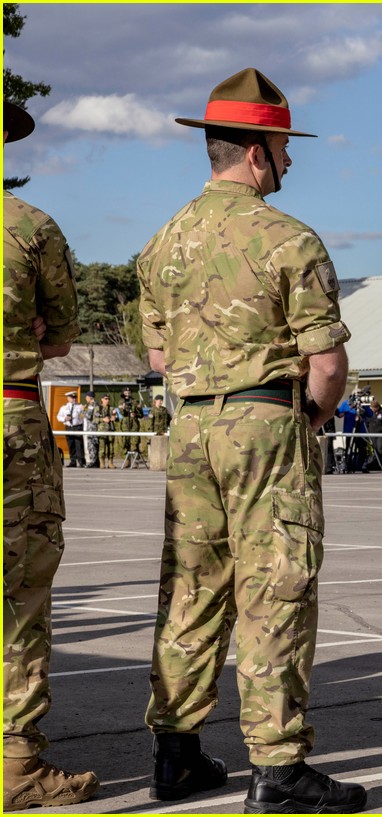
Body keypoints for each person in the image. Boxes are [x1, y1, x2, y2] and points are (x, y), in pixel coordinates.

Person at [135, 67, 364, 812]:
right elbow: (326, 364)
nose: (290, 162)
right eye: (285, 147)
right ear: (258, 152)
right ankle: (278, 768)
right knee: (277, 589)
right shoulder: (289, 240)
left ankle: (176, 752)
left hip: (192, 423)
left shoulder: (161, 242)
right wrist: (307, 420)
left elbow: (161, 359)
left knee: (192, 588)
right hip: (266, 421)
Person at [3, 99, 99, 811]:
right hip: (10, 416)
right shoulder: (30, 228)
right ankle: (15, 765)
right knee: (20, 599)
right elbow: (62, 336)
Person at [55, 391, 85, 467]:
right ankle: (73, 461)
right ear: (68, 398)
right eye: (72, 398)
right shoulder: (64, 407)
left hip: (77, 427)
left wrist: (84, 410)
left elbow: (84, 417)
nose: (74, 399)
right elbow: (58, 417)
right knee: (71, 445)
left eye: (75, 398)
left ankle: (81, 461)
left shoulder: (80, 406)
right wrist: (65, 419)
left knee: (79, 445)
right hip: (69, 427)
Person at [116, 386, 144, 465]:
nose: (127, 394)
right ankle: (127, 461)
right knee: (125, 442)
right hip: (125, 424)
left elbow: (141, 415)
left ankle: (135, 461)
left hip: (134, 424)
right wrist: (123, 408)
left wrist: (136, 412)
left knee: (134, 442)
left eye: (129, 392)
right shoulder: (121, 402)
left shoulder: (135, 401)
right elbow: (122, 413)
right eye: (126, 392)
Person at [94, 395, 118, 468]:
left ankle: (110, 462)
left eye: (108, 399)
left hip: (110, 430)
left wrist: (114, 417)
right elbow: (94, 419)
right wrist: (103, 420)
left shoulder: (111, 408)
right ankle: (102, 462)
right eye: (106, 399)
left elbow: (117, 418)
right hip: (102, 431)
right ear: (102, 399)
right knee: (102, 448)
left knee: (111, 448)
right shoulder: (98, 408)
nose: (107, 400)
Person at [82, 392, 101, 467]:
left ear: (90, 398)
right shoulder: (96, 404)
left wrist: (83, 410)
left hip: (92, 428)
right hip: (93, 428)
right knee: (94, 445)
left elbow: (89, 416)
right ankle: (96, 461)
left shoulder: (92, 405)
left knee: (91, 445)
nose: (86, 399)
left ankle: (93, 462)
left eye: (86, 397)